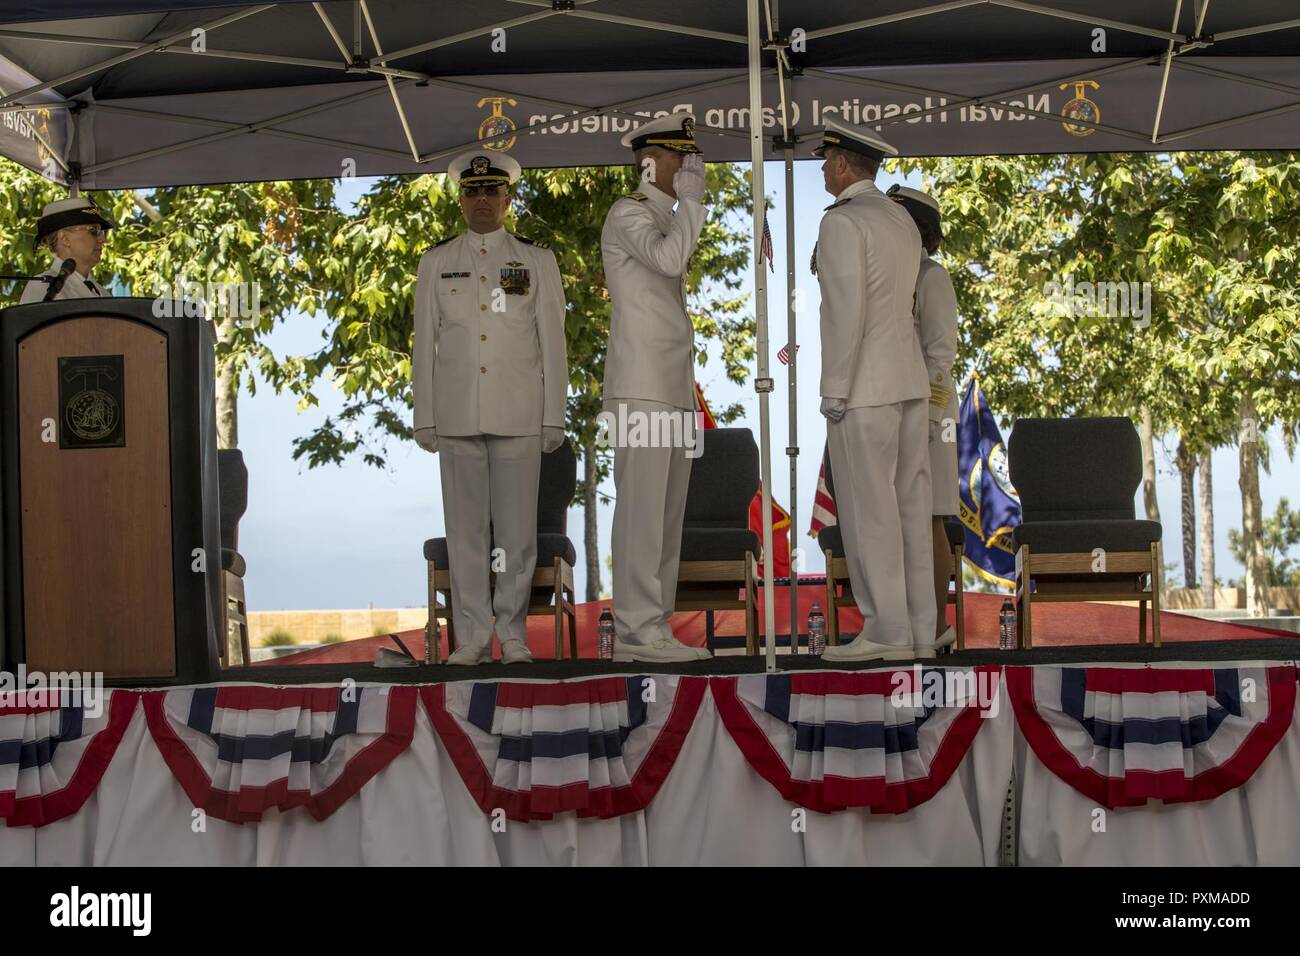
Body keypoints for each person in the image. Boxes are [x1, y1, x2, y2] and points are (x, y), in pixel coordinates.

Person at [412, 151, 568, 665]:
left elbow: (553, 342)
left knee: (519, 535)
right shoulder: (435, 260)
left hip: (520, 413)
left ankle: (514, 634)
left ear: (507, 198)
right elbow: (424, 345)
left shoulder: (536, 260)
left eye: (490, 192)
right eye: (472, 192)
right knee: (466, 534)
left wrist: (553, 414)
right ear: (460, 199)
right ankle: (473, 638)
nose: (481, 200)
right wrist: (425, 415)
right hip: (457, 413)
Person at [812, 118, 937, 662]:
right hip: (908, 380)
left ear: (842, 165)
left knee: (870, 512)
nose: (821, 167)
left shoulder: (842, 223)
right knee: (910, 508)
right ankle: (918, 629)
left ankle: (885, 629)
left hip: (864, 387)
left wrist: (833, 388)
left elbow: (845, 313)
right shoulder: (900, 220)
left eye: (825, 159)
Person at [601, 112, 711, 663]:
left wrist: (686, 206)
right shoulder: (629, 212)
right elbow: (670, 259)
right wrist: (693, 203)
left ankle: (656, 625)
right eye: (679, 157)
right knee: (642, 510)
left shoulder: (667, 217)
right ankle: (634, 631)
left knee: (667, 513)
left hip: (670, 384)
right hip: (640, 384)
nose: (690, 166)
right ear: (651, 161)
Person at [889, 184, 960, 652]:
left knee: (931, 518)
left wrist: (930, 415)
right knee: (896, 520)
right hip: (894, 411)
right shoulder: (890, 277)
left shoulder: (931, 277)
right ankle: (905, 625)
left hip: (931, 417)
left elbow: (941, 353)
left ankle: (936, 629)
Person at [21, 195, 114, 303]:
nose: (102, 239)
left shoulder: (103, 294)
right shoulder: (42, 288)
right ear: (65, 238)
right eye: (94, 230)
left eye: (101, 231)